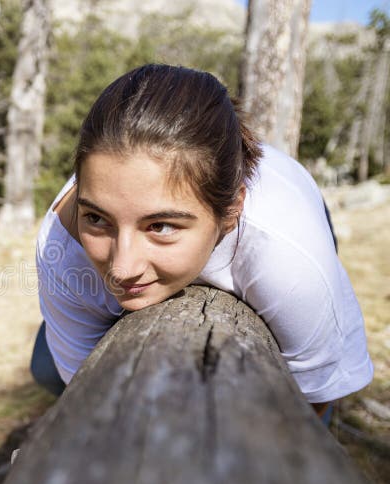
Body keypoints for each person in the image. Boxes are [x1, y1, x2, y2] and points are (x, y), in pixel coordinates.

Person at [32, 64, 373, 423]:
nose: (121, 268)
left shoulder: (290, 261)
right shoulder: (62, 245)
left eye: (160, 226)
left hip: (296, 214)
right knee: (45, 367)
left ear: (232, 209)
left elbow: (316, 394)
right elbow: (85, 392)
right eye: (98, 219)